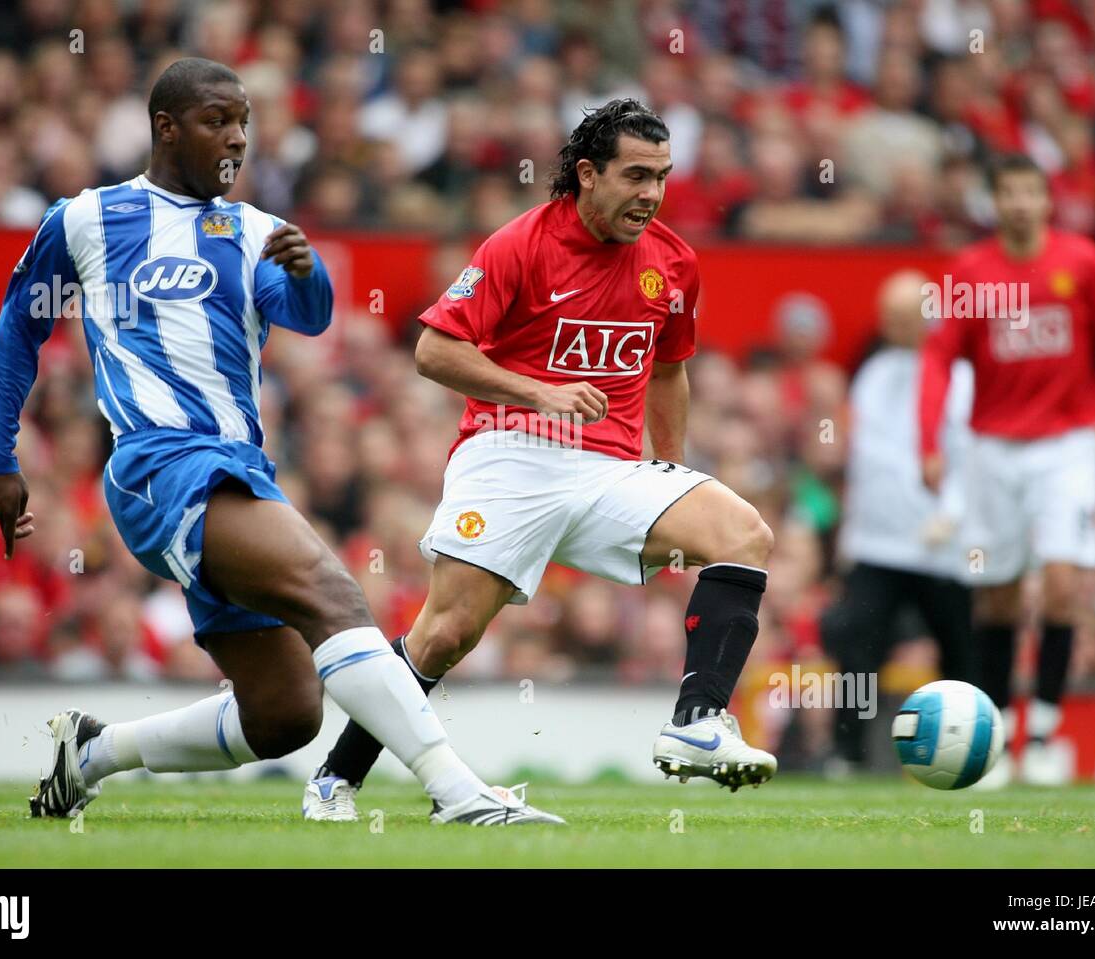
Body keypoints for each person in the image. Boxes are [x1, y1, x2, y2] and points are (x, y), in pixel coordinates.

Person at [0, 57, 559, 826]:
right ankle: (456, 790)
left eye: (244, 123)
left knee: (285, 712)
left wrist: (309, 272)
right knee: (336, 594)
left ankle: (90, 753)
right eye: (218, 120)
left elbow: (307, 314)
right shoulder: (86, 218)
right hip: (159, 465)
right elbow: (19, 326)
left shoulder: (253, 229)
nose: (237, 138)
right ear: (166, 127)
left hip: (235, 471)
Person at [304, 99, 777, 822]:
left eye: (662, 177)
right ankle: (336, 779)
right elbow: (434, 350)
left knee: (744, 534)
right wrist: (537, 391)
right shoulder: (520, 244)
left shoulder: (674, 261)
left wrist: (673, 471)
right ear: (587, 174)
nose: (651, 193)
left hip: (610, 470)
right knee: (443, 634)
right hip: (509, 453)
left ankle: (698, 719)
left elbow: (670, 369)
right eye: (635, 175)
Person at [918, 153, 1095, 786]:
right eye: (1010, 193)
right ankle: (997, 731)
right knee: (997, 592)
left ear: (1046, 200)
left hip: (1068, 445)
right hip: (992, 447)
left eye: (1032, 192)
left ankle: (1047, 732)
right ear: (995, 201)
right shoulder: (971, 271)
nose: (1022, 204)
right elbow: (940, 358)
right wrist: (930, 441)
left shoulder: (1081, 262)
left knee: (1062, 582)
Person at [820, 269, 974, 773]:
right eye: (889, 317)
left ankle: (971, 746)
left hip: (940, 546)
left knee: (961, 649)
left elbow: (969, 457)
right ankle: (848, 753)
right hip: (877, 545)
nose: (893, 326)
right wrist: (851, 534)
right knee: (857, 648)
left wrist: (952, 516)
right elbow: (867, 461)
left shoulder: (961, 377)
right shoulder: (875, 372)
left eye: (903, 317)